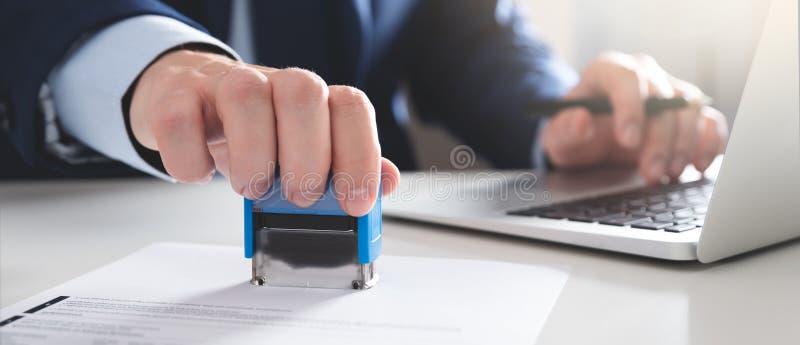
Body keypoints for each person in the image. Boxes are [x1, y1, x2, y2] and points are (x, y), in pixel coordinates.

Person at [0, 1, 727, 217]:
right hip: (62, 220)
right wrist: (150, 71)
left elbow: (480, 33)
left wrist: (571, 117)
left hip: (370, 258)